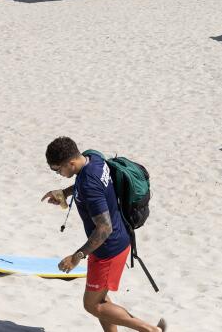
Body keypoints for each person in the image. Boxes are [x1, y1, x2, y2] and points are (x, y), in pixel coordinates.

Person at [42, 137, 166, 332]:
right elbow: (88, 186)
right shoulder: (93, 158)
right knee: (99, 298)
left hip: (109, 249)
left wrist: (76, 256)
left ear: (71, 163)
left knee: (92, 305)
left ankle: (151, 330)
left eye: (58, 169)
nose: (58, 173)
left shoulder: (88, 185)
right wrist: (64, 193)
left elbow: (104, 228)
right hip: (107, 244)